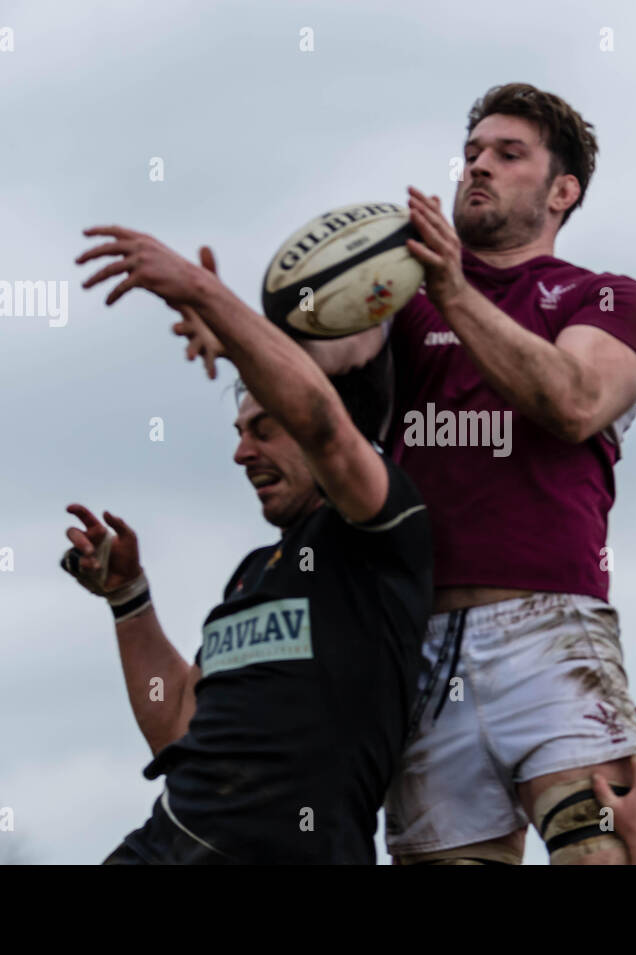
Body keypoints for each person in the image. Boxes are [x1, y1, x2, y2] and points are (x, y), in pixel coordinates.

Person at [171, 82, 636, 865]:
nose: (478, 166)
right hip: (420, 645)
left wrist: (452, 288)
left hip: (549, 628)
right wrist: (236, 327)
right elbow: (316, 375)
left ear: (562, 190)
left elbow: (572, 401)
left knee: (601, 855)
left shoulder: (607, 298)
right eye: (472, 152)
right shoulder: (398, 303)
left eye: (509, 155)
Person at [64, 234, 431, 863]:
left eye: (264, 429)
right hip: (168, 847)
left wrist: (206, 294)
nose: (241, 452)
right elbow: (178, 724)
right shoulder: (253, 574)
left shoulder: (378, 528)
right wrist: (128, 599)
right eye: (239, 432)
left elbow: (324, 425)